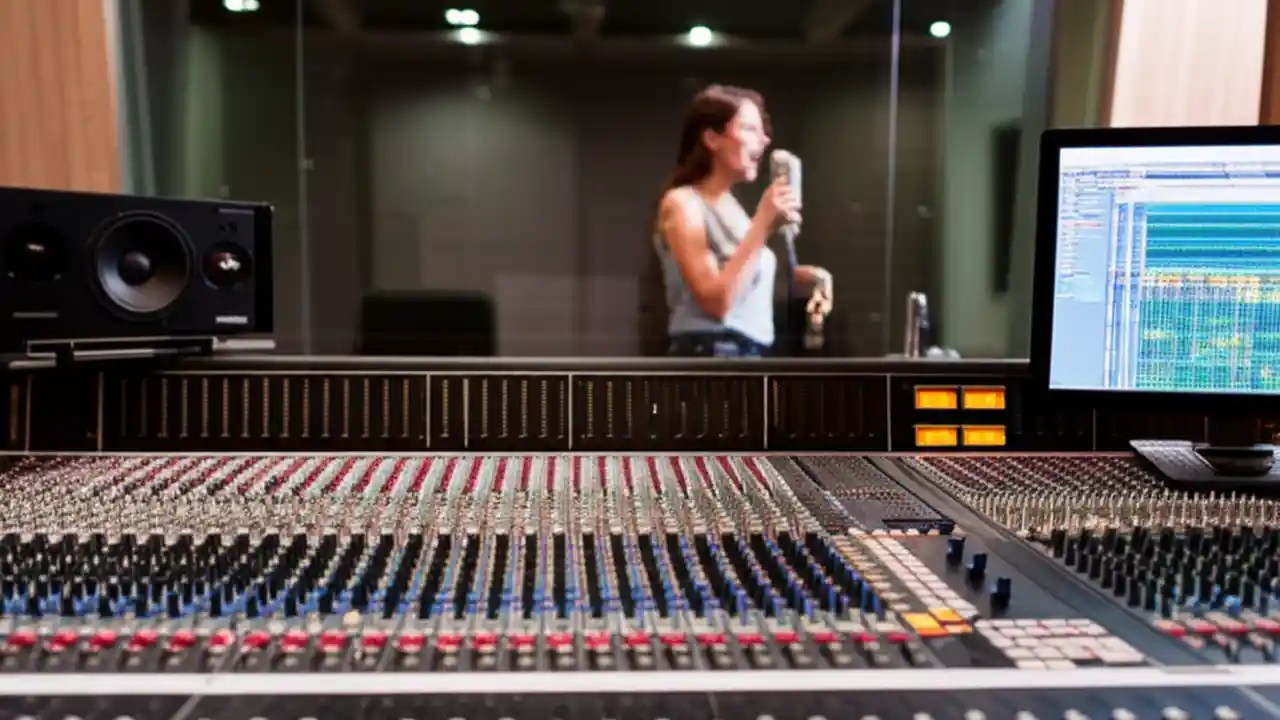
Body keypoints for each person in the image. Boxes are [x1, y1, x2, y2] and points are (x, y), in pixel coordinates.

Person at [642, 85, 833, 358]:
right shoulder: (683, 203)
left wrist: (813, 278)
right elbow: (716, 301)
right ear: (712, 138)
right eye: (750, 129)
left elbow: (746, 280)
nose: (765, 140)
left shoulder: (733, 209)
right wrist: (763, 223)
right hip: (711, 352)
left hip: (749, 352)